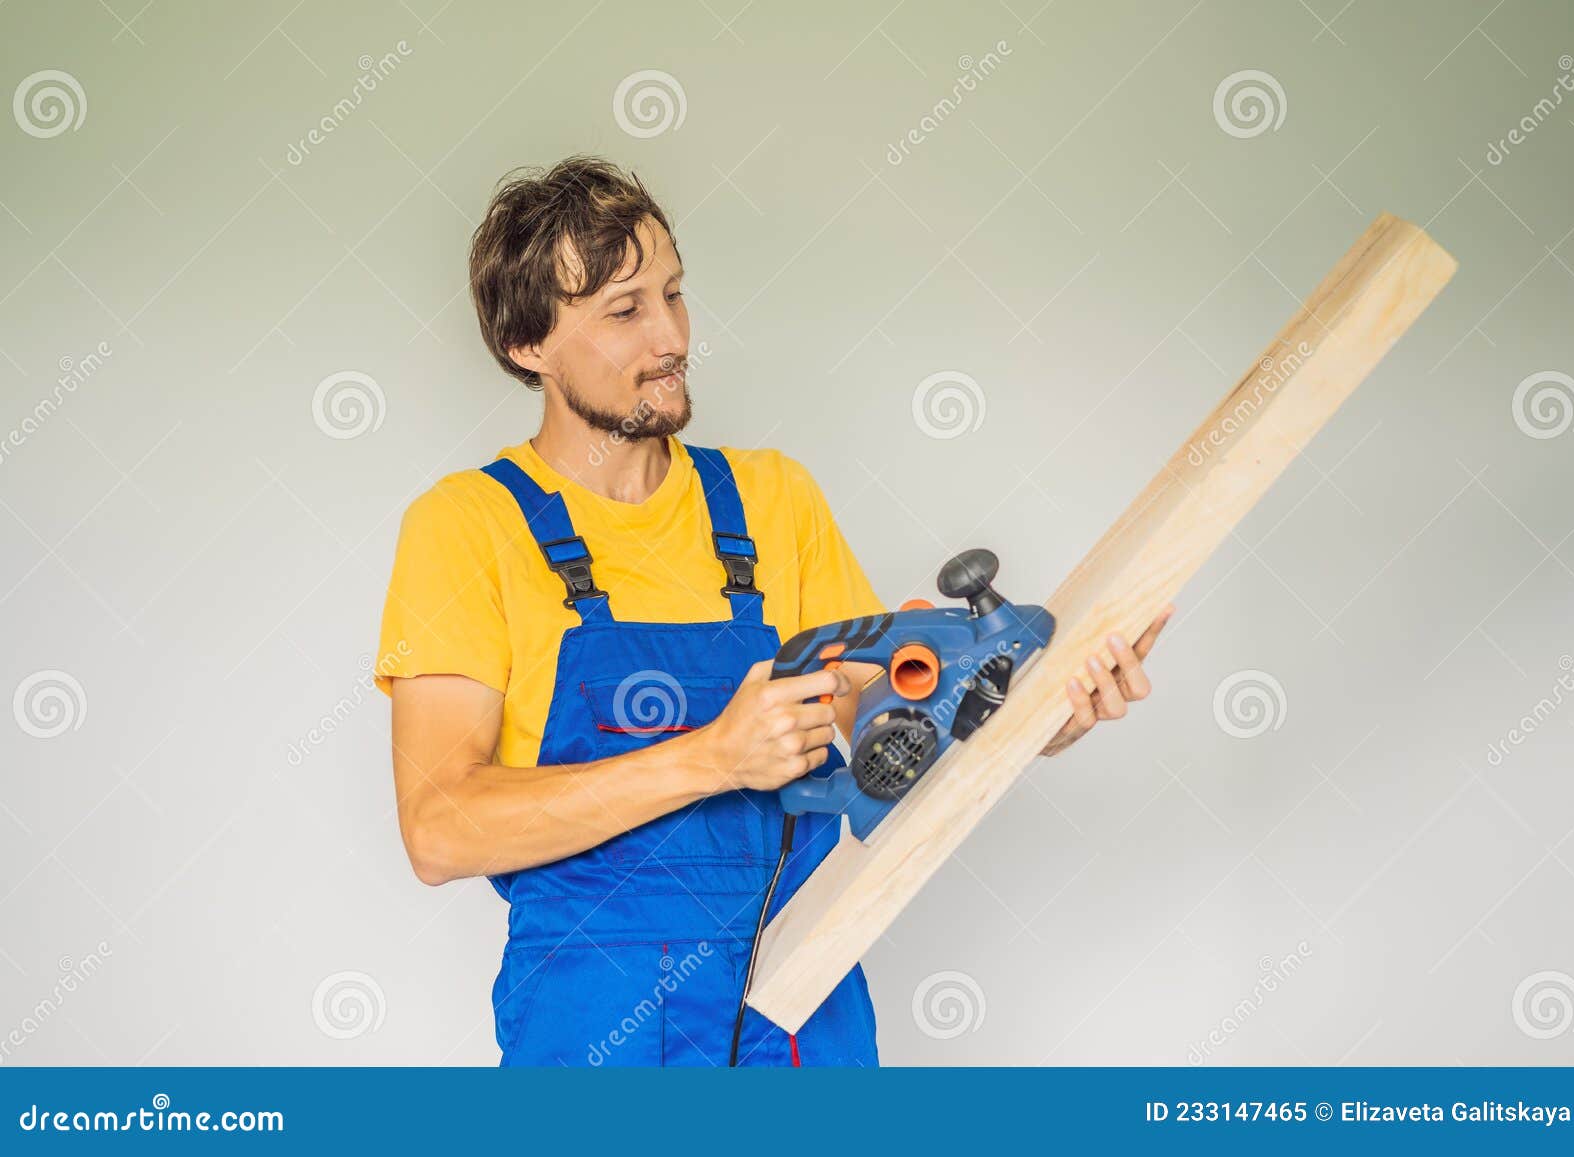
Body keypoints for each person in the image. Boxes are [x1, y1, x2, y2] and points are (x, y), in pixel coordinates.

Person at [374, 155, 1171, 1067]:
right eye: (625, 311)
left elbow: (885, 731)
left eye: (674, 294)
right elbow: (440, 826)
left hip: (800, 1007)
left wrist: (1028, 714)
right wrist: (712, 756)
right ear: (529, 344)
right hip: (596, 1030)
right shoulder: (467, 526)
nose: (671, 336)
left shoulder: (771, 501)